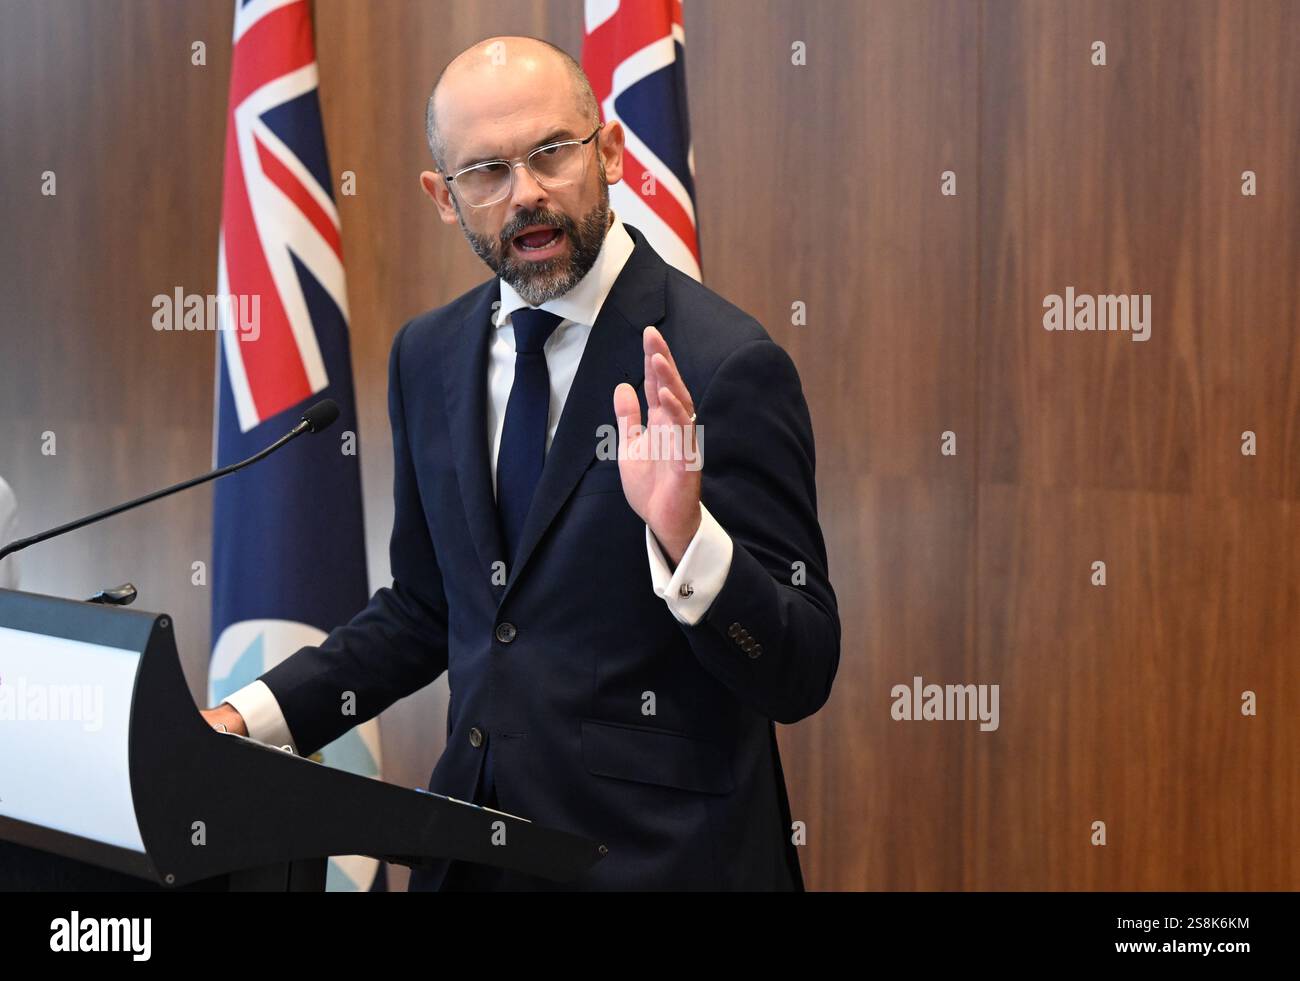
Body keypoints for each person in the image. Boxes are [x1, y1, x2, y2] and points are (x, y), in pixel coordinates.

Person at [203, 35, 839, 891]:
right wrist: (244, 721)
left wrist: (690, 540)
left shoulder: (722, 364)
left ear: (608, 151)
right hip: (473, 856)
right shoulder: (428, 356)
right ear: (444, 195)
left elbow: (800, 668)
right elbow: (425, 612)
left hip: (663, 863)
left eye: (551, 154)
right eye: (487, 172)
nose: (527, 195)